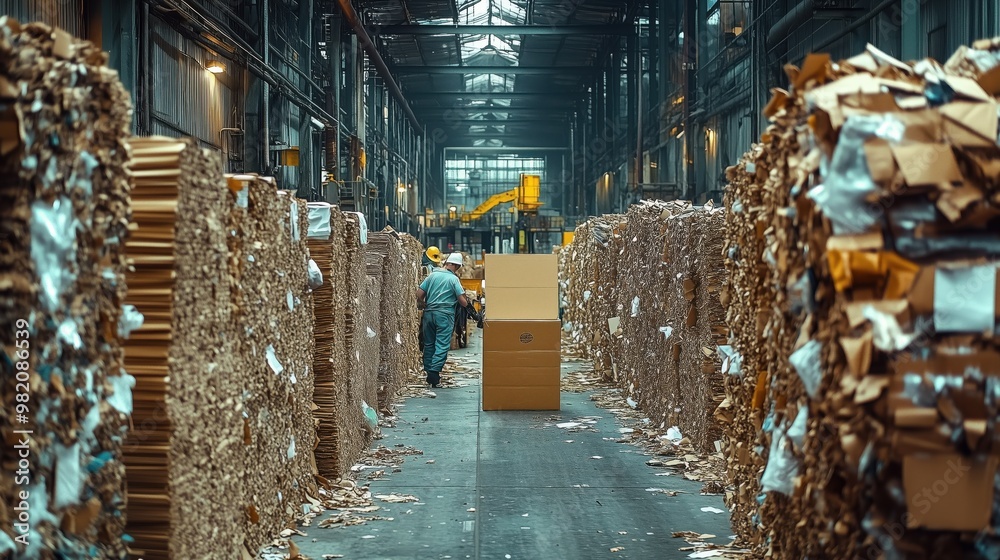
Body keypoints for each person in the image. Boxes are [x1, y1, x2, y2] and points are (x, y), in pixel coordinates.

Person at [417, 252, 470, 388]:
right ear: (457, 266)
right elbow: (463, 302)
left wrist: (424, 304)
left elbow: (419, 294)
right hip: (445, 315)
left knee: (429, 344)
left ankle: (428, 370)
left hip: (429, 314)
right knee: (441, 344)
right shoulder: (453, 279)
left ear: (446, 262)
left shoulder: (432, 275)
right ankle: (434, 374)